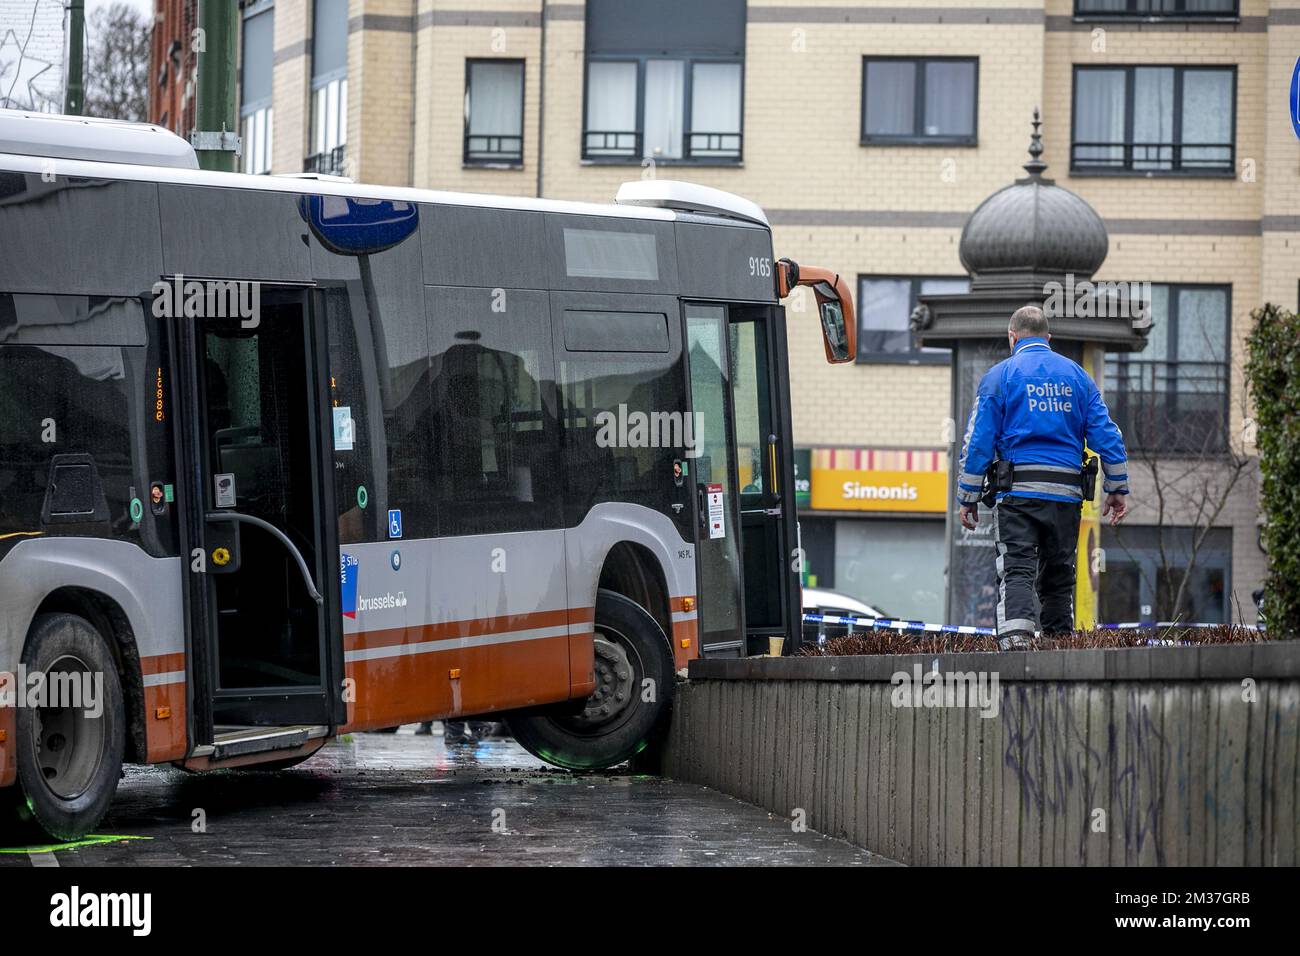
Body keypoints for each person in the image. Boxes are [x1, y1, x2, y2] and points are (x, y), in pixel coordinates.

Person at [956, 306, 1130, 650]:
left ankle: (1017, 645)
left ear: (1012, 336)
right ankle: (1059, 648)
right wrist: (1117, 487)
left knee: (1017, 569)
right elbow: (1107, 436)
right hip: (1066, 498)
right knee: (1059, 576)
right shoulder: (1079, 377)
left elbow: (978, 443)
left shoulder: (999, 376)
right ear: (1048, 339)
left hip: (1017, 495)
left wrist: (968, 496)